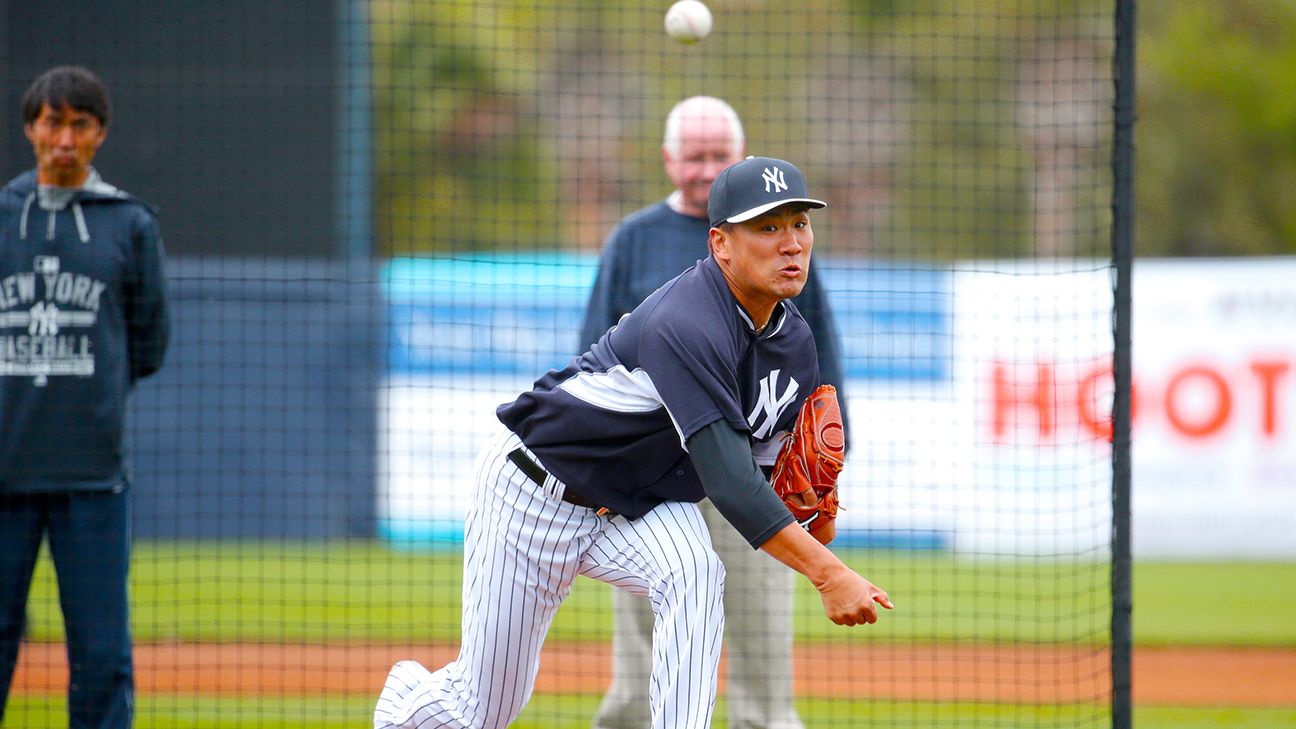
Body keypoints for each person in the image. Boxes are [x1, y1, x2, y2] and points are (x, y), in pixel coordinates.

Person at [374, 156, 891, 729]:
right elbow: (729, 481)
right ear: (721, 243)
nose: (791, 243)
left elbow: (771, 475)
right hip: (534, 493)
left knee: (694, 573)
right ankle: (404, 709)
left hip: (634, 506)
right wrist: (829, 572)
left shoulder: (793, 340)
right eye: (768, 228)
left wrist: (819, 517)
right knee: (484, 707)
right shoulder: (686, 322)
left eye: (799, 223)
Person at [582, 96, 849, 729]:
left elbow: (821, 361)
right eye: (694, 156)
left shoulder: (779, 240)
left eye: (719, 156)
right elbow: (594, 353)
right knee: (644, 651)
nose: (706, 169)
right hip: (653, 478)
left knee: (761, 642)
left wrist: (829, 470)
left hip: (752, 466)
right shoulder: (634, 239)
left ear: (739, 157)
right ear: (669, 159)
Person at [0, 66, 170, 729]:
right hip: (4, 473)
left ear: (99, 133)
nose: (63, 138)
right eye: (51, 121)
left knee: (101, 654)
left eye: (79, 123)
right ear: (29, 128)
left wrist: (90, 393)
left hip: (93, 479)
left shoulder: (129, 224)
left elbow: (149, 341)